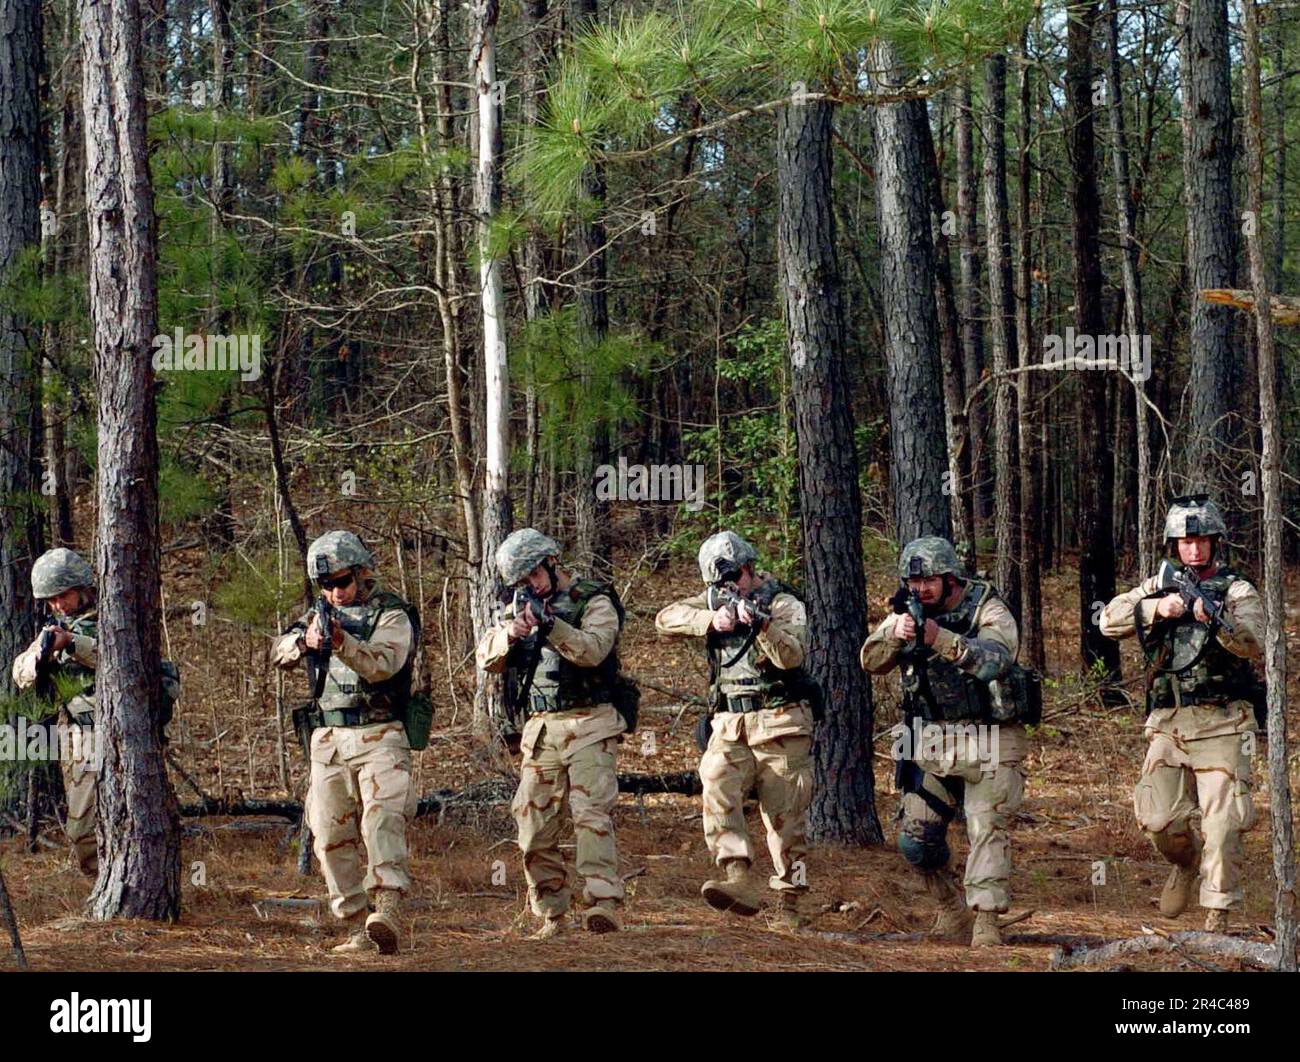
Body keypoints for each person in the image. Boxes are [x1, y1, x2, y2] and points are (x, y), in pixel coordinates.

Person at [1099, 496, 1265, 933]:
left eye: (1202, 541)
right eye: (1186, 542)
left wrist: (1213, 620)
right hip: (1169, 722)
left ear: (1215, 543)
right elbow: (1107, 621)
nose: (1194, 550)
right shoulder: (1159, 582)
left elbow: (1253, 641)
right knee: (1158, 820)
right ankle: (1186, 863)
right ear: (1175, 545)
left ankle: (1217, 916)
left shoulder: (1237, 589)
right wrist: (1158, 607)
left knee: (1223, 822)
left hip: (1224, 722)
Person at [861, 535, 1031, 947]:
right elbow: (869, 660)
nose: (920, 591)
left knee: (986, 827)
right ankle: (951, 908)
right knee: (915, 840)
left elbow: (995, 659)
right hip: (933, 740)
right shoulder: (909, 610)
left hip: (991, 736)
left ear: (951, 579)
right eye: (913, 583)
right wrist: (896, 635)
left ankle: (987, 920)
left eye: (929, 582)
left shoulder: (987, 606)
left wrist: (939, 637)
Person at [655, 530, 816, 931]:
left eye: (736, 579)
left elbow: (793, 657)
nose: (730, 588)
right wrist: (713, 618)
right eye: (720, 584)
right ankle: (737, 874)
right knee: (716, 782)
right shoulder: (715, 602)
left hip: (781, 722)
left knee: (786, 823)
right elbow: (665, 619)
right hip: (730, 722)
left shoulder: (783, 603)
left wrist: (763, 628)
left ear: (749, 569)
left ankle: (790, 905)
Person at [270, 530, 420, 955]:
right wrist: (304, 642)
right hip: (330, 741)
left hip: (381, 735)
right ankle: (357, 925)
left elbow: (384, 664)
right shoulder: (315, 615)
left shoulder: (391, 614)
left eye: (341, 582)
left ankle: (387, 908)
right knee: (329, 835)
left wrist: (341, 642)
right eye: (326, 585)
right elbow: (280, 651)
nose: (335, 592)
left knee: (381, 822)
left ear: (361, 573)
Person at [476, 528, 628, 938]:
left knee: (590, 815)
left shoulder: (593, 600)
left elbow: (594, 650)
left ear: (551, 563)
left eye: (533, 577)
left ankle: (603, 904)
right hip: (541, 730)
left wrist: (553, 626)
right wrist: (512, 632)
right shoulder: (518, 607)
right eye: (521, 582)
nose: (530, 586)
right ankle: (551, 912)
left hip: (590, 723)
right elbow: (485, 657)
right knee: (532, 821)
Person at [11, 548, 102, 877]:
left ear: (81, 588)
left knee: (87, 830)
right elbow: (19, 673)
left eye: (63, 596)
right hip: (78, 740)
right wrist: (42, 656)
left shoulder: (111, 620)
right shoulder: (54, 630)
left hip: (111, 736)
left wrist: (73, 644)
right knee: (82, 828)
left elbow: (120, 660)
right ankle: (105, 890)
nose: (58, 606)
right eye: (51, 600)